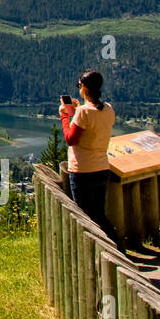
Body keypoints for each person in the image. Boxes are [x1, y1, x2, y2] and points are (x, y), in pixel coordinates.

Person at [61, 69, 119, 246]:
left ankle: (114, 250)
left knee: (85, 216)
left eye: (79, 85)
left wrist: (64, 115)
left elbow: (71, 139)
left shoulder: (83, 113)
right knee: (99, 213)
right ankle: (115, 247)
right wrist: (80, 109)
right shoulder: (107, 109)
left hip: (83, 170)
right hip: (102, 168)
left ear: (84, 87)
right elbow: (94, 123)